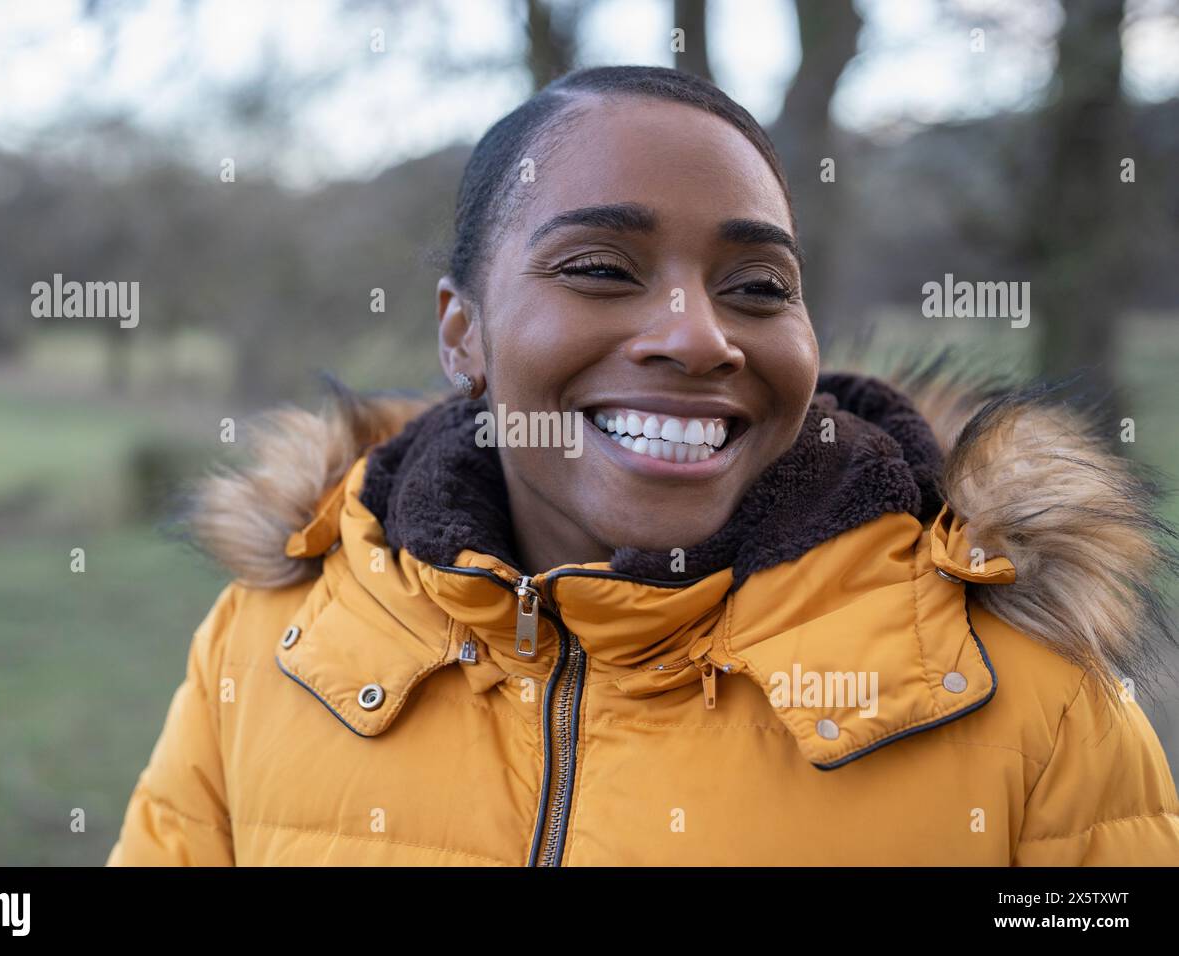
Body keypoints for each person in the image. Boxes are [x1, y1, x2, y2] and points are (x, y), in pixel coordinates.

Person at [107, 65, 1179, 866]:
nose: (696, 335)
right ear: (461, 331)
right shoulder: (273, 640)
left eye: (758, 285)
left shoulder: (1024, 689)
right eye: (599, 268)